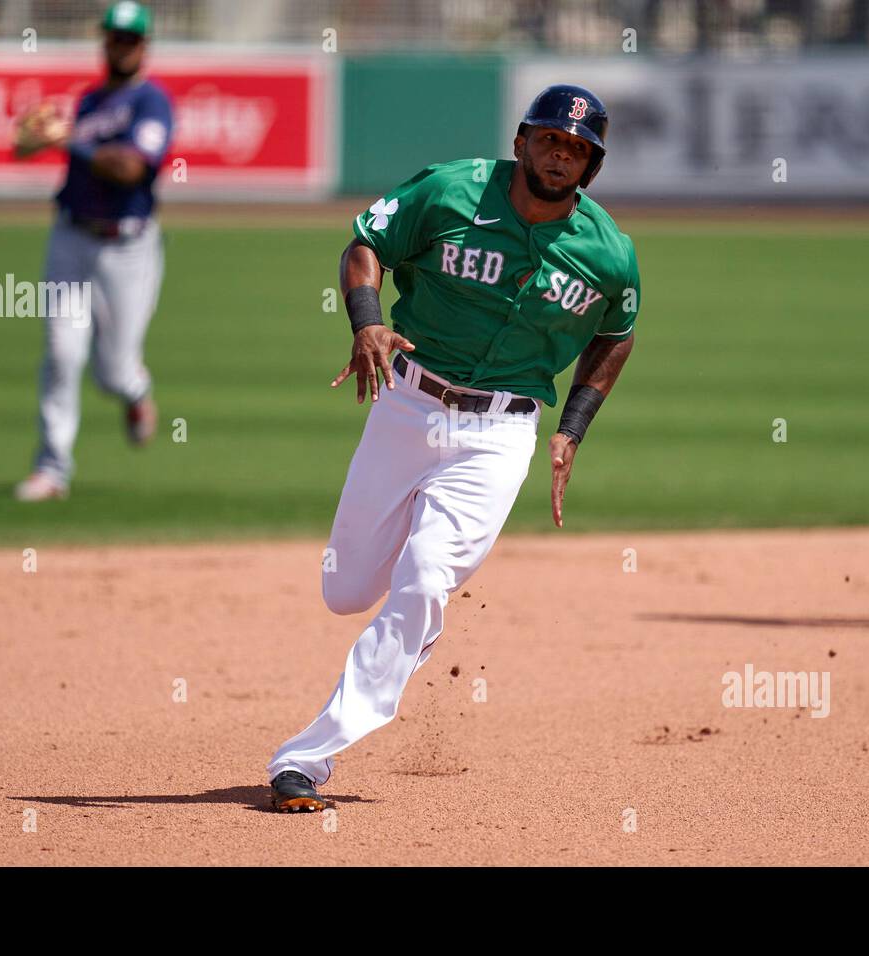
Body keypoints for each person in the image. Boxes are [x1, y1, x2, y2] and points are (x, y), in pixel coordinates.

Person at [267, 85, 641, 811]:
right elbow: (366, 245)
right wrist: (367, 319)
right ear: (523, 140)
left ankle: (305, 760)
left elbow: (616, 335)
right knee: (345, 591)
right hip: (406, 403)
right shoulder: (451, 190)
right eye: (549, 139)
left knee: (426, 578)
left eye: (577, 149)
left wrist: (573, 427)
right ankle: (412, 592)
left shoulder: (610, 254)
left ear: (591, 165)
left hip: (499, 434)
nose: (560, 155)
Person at [13, 1, 172, 501]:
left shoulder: (152, 104)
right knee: (61, 354)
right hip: (71, 238)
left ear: (143, 46)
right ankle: (51, 468)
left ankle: (136, 391)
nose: (119, 46)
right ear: (103, 41)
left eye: (129, 39)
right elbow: (24, 149)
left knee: (113, 371)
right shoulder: (88, 102)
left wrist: (68, 140)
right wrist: (41, 139)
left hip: (127, 247)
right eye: (113, 37)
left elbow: (130, 169)